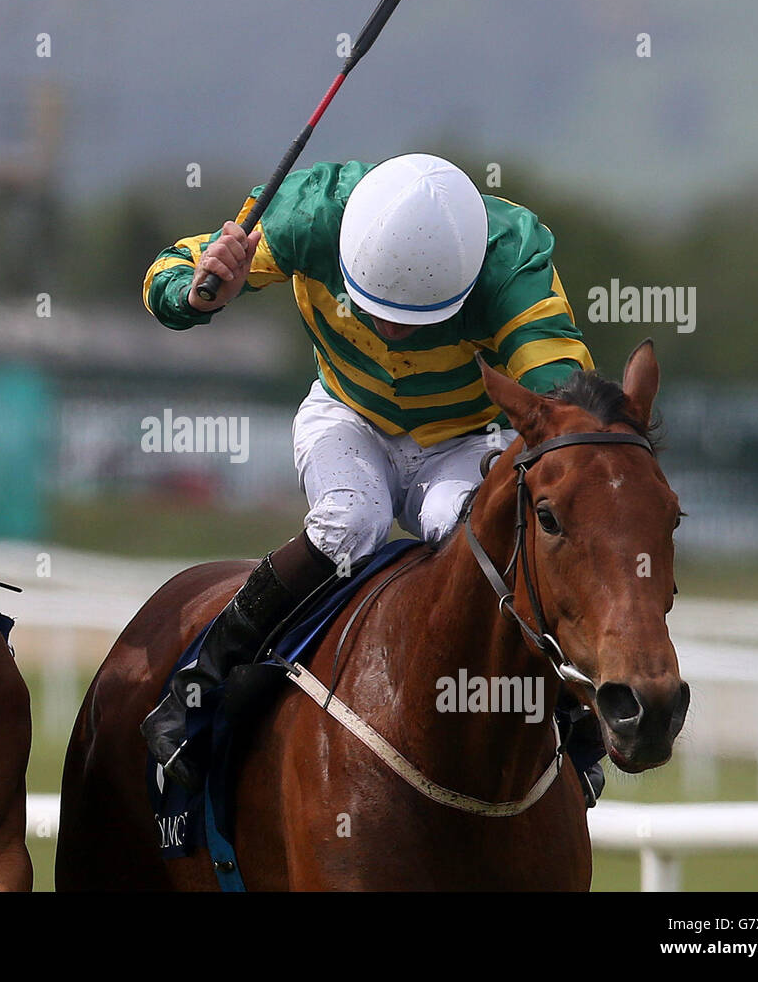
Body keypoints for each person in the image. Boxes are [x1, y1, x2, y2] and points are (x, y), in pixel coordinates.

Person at [140, 154, 593, 789]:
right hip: (346, 413)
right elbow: (169, 270)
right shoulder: (309, 215)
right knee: (352, 521)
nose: (391, 331)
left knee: (479, 541)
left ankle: (568, 724)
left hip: (462, 441)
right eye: (377, 309)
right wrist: (198, 290)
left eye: (417, 320)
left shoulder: (511, 261)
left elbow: (564, 401)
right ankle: (198, 686)